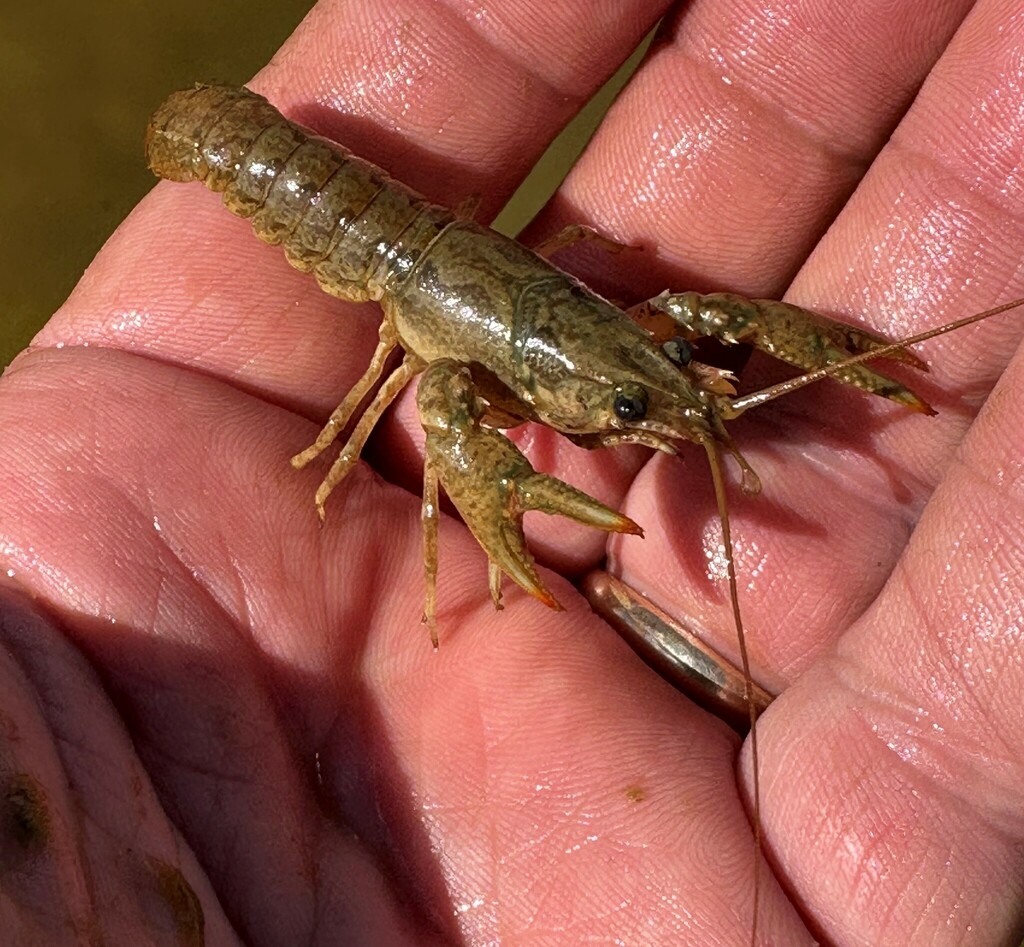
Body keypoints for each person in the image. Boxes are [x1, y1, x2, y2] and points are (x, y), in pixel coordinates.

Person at [2, 1, 1022, 943]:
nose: (656, 406)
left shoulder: (630, 326)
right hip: (320, 202)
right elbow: (441, 397)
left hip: (433, 248)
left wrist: (667, 381)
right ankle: (209, 137)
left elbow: (704, 319)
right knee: (451, 385)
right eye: (633, 408)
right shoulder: (460, 380)